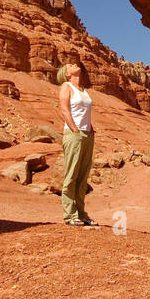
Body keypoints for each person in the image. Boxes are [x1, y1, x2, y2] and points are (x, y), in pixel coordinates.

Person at [56, 62, 96, 226]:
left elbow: (84, 112)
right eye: (70, 65)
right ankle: (70, 215)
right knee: (72, 174)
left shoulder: (84, 91)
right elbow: (64, 109)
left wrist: (91, 129)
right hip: (74, 134)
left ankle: (81, 213)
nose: (74, 64)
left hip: (87, 135)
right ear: (67, 74)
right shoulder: (66, 86)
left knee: (83, 175)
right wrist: (74, 129)